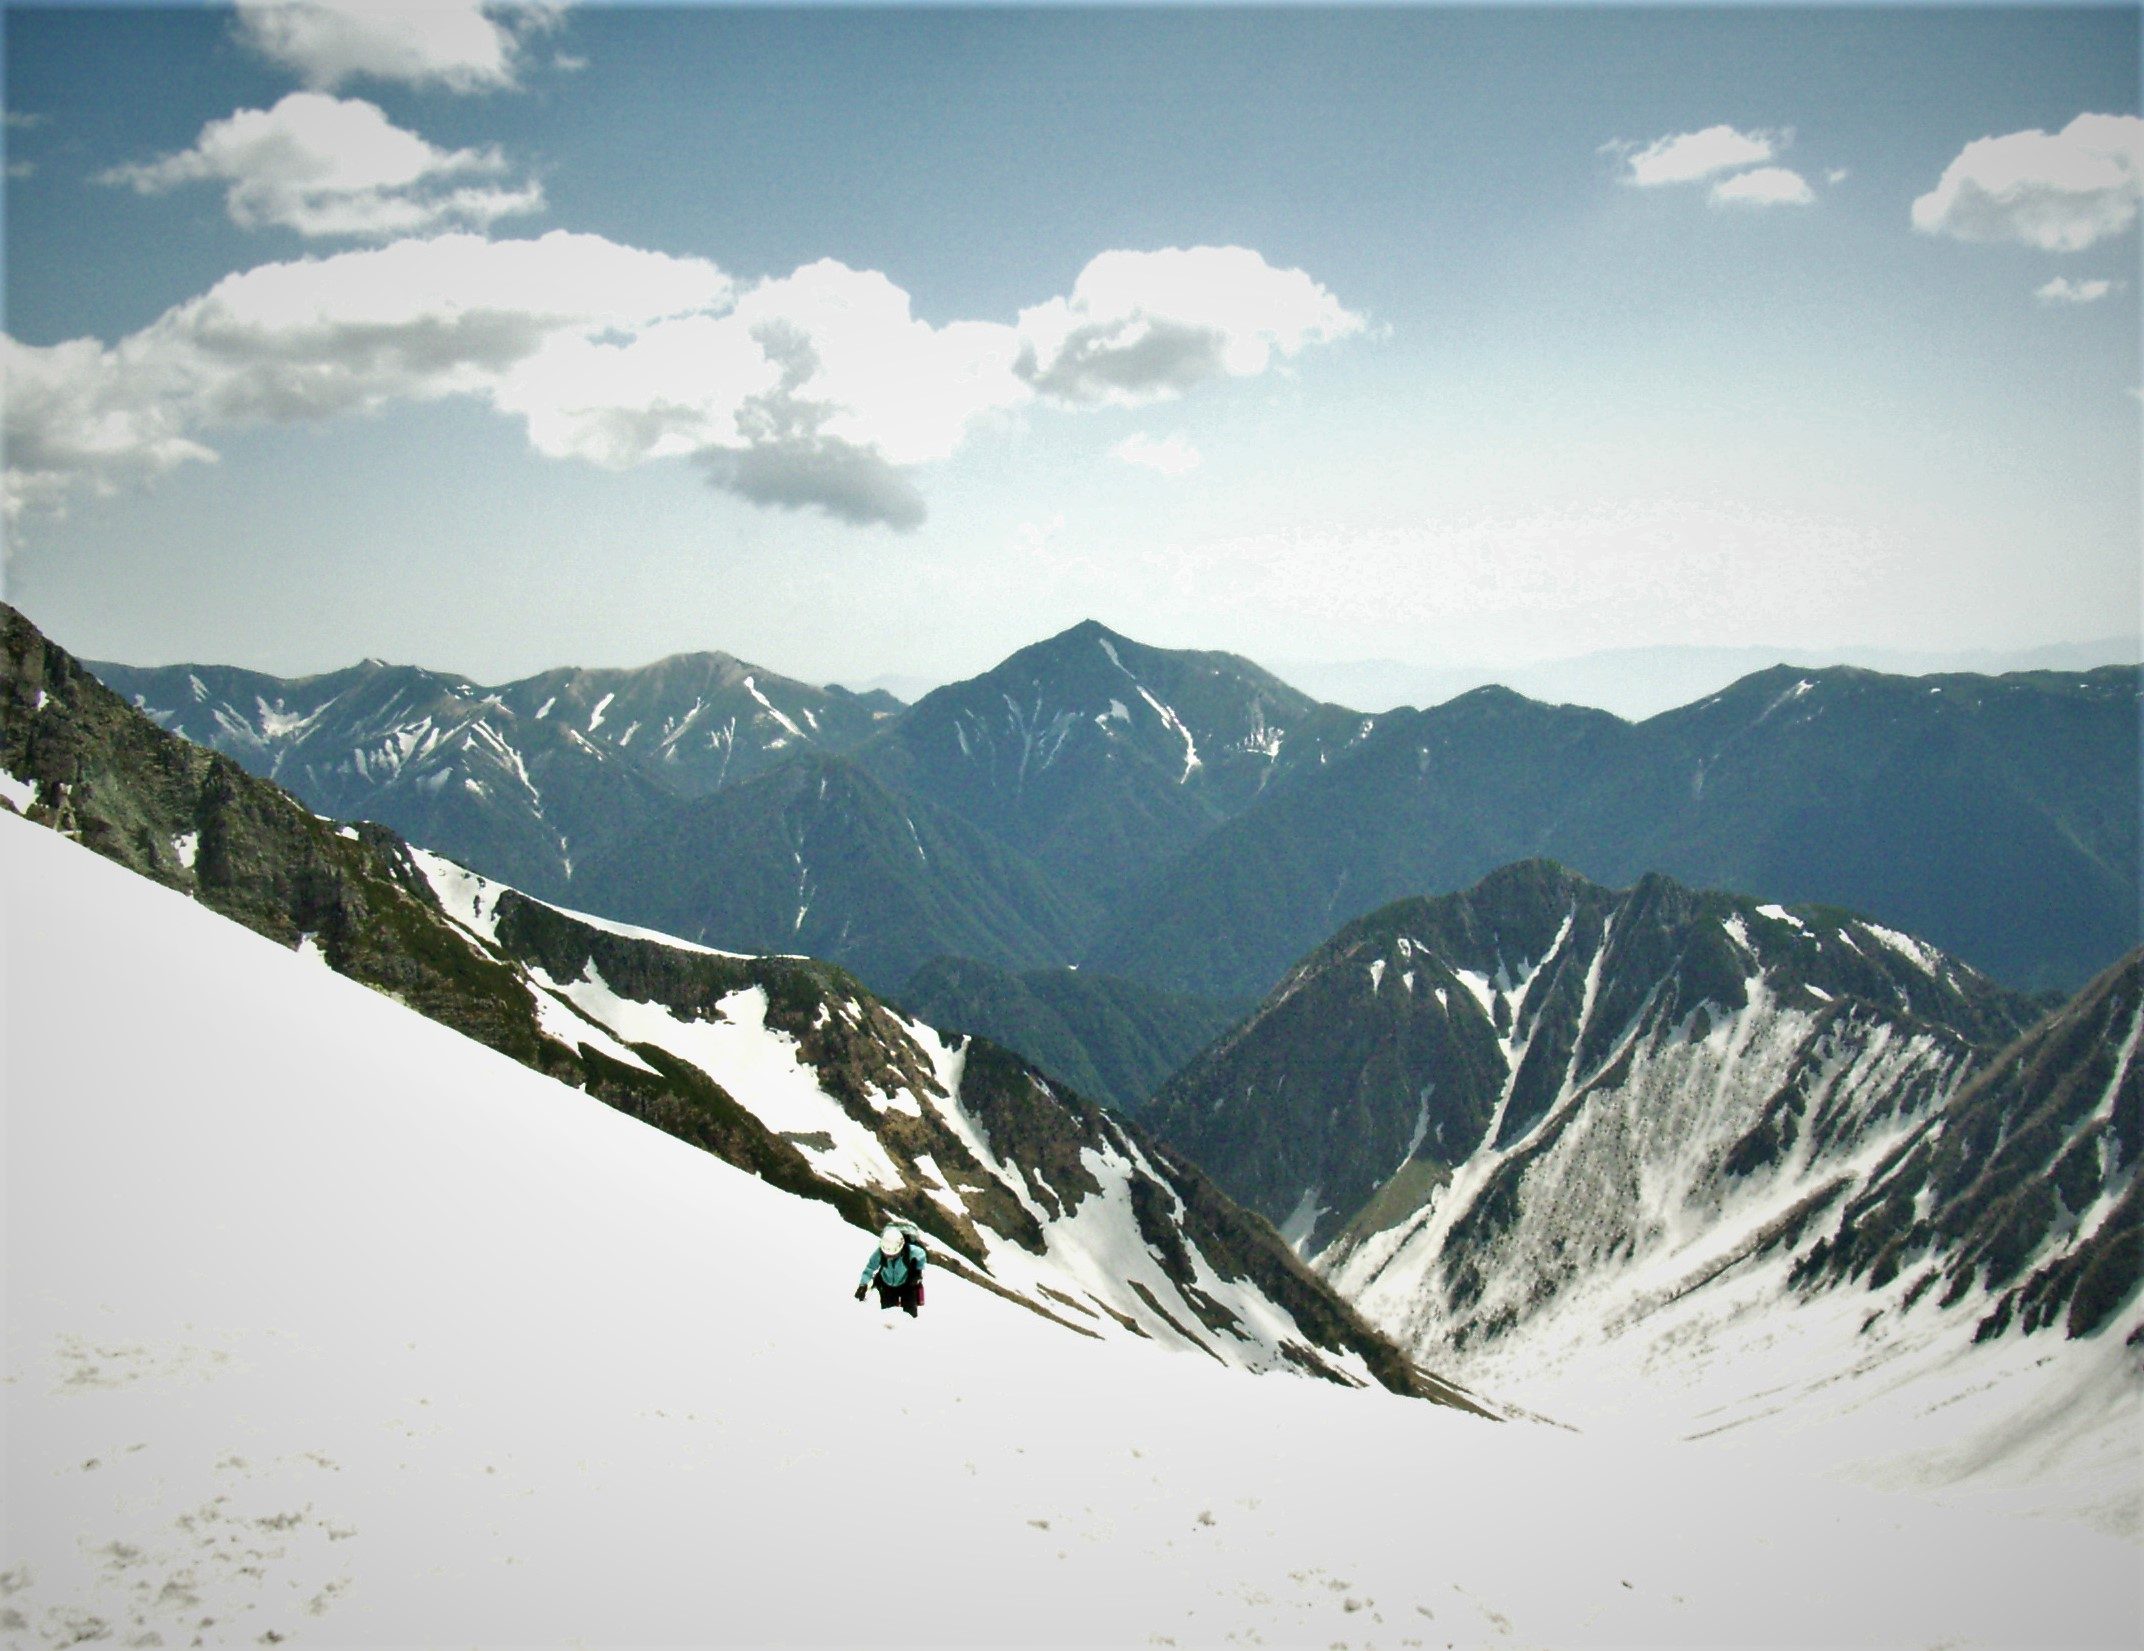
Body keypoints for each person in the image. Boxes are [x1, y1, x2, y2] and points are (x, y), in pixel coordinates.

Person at [855, 1222, 926, 1317]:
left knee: (910, 1313)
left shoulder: (910, 1250)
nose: (889, 1257)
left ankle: (910, 1322)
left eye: (892, 1255)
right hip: (886, 1285)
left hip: (907, 1284)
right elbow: (870, 1268)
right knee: (887, 1313)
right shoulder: (880, 1252)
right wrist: (863, 1285)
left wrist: (917, 1271)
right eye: (886, 1254)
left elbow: (921, 1254)